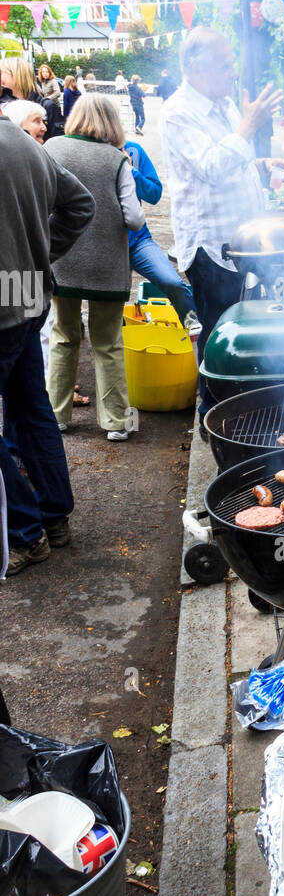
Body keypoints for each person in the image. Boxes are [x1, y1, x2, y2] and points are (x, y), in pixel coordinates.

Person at [159, 27, 282, 420]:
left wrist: (260, 163)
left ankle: (248, 411)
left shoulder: (224, 103)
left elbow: (232, 162)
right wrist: (247, 127)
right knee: (220, 340)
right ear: (197, 69)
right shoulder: (178, 112)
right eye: (226, 65)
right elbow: (211, 167)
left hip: (244, 239)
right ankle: (216, 420)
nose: (233, 73)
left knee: (249, 334)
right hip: (213, 247)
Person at [0, 115, 94, 575]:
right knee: (30, 407)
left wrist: (41, 248)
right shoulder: (21, 140)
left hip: (7, 297)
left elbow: (80, 203)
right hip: (25, 289)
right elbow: (79, 203)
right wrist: (41, 252)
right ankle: (53, 518)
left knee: (29, 408)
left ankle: (25, 531)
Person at [44, 93, 145, 441]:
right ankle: (116, 422)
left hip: (61, 259)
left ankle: (56, 415)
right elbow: (134, 219)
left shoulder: (52, 148)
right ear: (112, 122)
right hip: (107, 264)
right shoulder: (117, 160)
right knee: (107, 342)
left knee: (63, 336)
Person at [124, 136, 197, 325]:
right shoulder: (81, 152)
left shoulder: (133, 150)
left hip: (137, 240)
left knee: (173, 282)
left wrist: (130, 170)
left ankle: (194, 329)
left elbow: (154, 194)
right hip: (103, 244)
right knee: (111, 308)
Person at [8, 58, 63, 139]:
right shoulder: (42, 82)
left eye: (46, 71)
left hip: (52, 105)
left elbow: (57, 93)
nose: (45, 73)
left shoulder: (53, 82)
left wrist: (47, 99)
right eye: (43, 72)